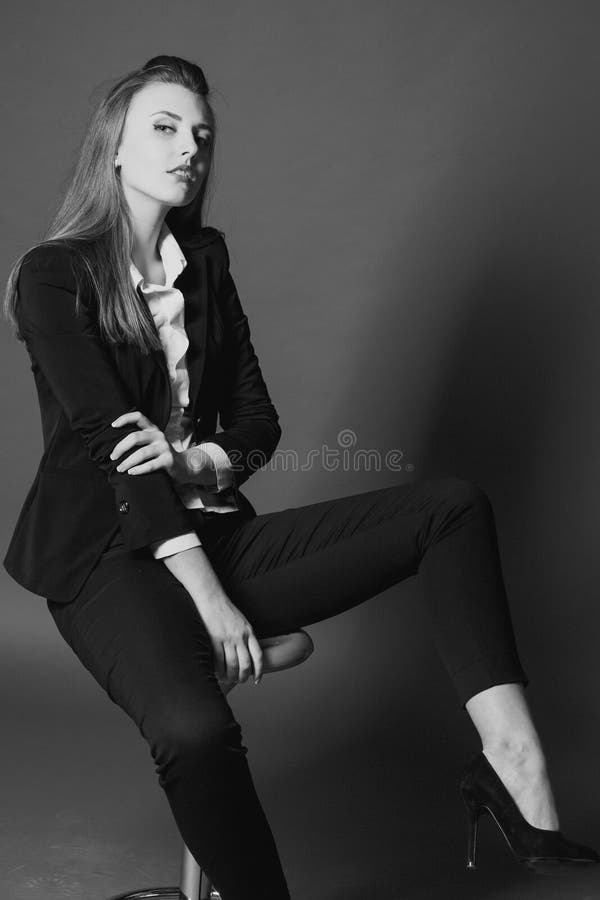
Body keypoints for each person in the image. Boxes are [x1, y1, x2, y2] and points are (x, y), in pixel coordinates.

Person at [3, 55, 597, 900]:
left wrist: (193, 458)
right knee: (195, 730)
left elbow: (256, 426)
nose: (189, 149)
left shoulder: (203, 261)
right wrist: (211, 603)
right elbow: (113, 450)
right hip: (105, 561)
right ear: (115, 149)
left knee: (452, 508)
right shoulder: (53, 274)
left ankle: (513, 762)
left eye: (202, 135)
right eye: (165, 129)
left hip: (214, 532)